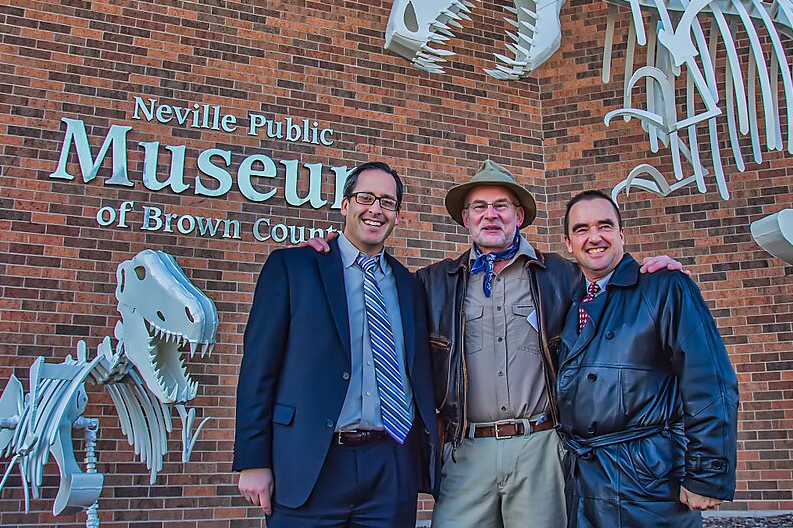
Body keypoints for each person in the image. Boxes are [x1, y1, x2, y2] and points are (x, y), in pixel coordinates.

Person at [304, 159, 681, 527]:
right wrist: (329, 248)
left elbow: (610, 286)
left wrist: (650, 273)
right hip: (465, 449)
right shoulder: (432, 284)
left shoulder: (561, 277)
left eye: (501, 205)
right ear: (466, 219)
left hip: (540, 445)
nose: (490, 215)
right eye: (479, 207)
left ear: (518, 216)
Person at [232, 161, 436, 527]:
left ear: (398, 217)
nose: (376, 209)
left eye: (387, 202)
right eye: (365, 197)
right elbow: (257, 370)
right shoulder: (293, 267)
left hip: (390, 468)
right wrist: (252, 459)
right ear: (345, 205)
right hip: (311, 462)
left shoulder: (409, 285)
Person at [557, 190, 738, 527]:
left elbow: (709, 381)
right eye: (581, 229)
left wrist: (707, 474)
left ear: (621, 235)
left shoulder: (664, 287)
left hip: (649, 481)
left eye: (605, 226)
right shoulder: (572, 302)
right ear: (568, 243)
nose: (594, 237)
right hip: (584, 482)